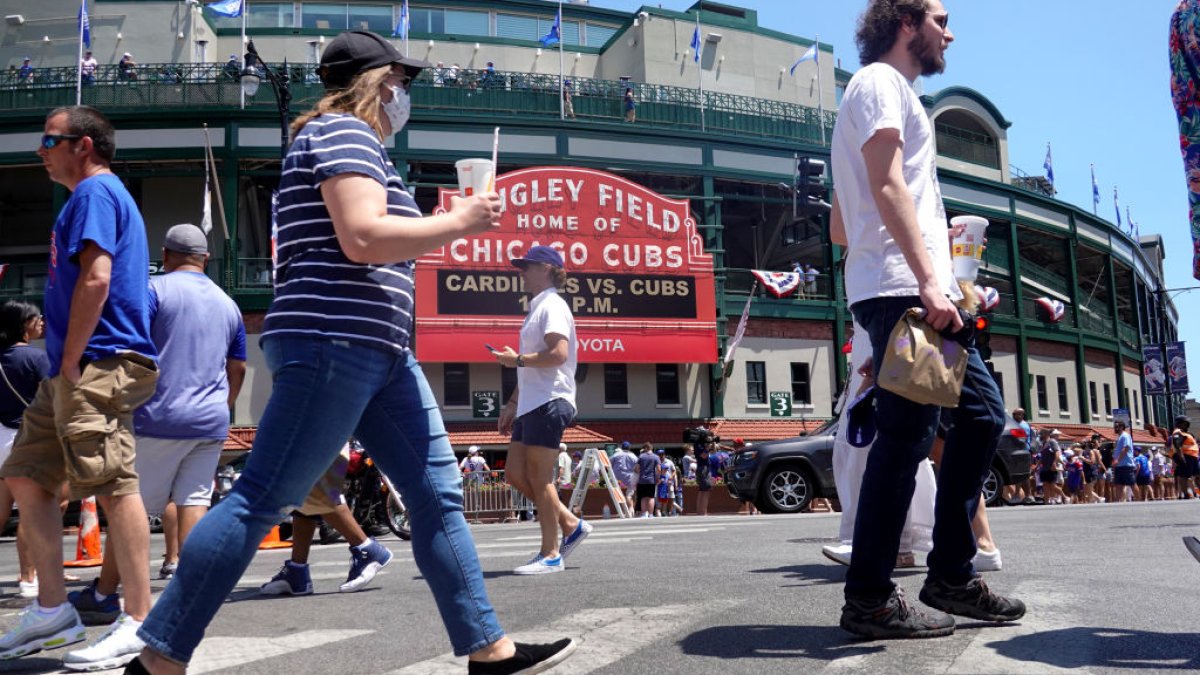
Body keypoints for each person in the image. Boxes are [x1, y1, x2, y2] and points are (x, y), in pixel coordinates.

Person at [127, 31, 574, 674]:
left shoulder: (350, 141)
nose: (406, 95)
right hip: (335, 340)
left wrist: (445, 225)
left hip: (376, 347)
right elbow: (363, 237)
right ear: (379, 82)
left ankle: (488, 647)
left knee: (438, 495)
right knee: (261, 499)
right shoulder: (344, 132)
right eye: (403, 81)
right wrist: (461, 221)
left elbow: (372, 239)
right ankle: (158, 659)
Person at [829, 0, 1023, 639]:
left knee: (974, 418)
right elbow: (887, 186)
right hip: (906, 292)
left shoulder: (881, 93)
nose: (950, 33)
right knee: (913, 437)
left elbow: (841, 223)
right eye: (940, 19)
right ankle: (874, 598)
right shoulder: (881, 83)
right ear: (905, 22)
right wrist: (928, 280)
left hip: (898, 290)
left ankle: (947, 576)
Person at [0, 106, 160, 670]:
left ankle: (139, 620)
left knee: (113, 484)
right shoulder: (90, 197)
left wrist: (69, 358)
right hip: (73, 366)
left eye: (50, 140)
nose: (40, 151)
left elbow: (97, 277)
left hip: (95, 360)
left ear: (84, 145)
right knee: (25, 473)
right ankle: (52, 609)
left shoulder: (94, 193)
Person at [66, 223, 246, 630]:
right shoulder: (229, 304)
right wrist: (223, 405)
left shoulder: (153, 291)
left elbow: (132, 349)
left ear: (165, 255)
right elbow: (237, 367)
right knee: (195, 501)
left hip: (158, 417)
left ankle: (104, 594)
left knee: (128, 507)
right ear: (205, 259)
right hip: (210, 420)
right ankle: (191, 591)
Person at [494, 245, 590, 576]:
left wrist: (517, 359)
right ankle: (570, 523)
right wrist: (512, 403)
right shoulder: (538, 308)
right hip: (532, 401)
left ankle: (551, 554)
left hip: (549, 400)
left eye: (527, 266)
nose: (521, 272)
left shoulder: (552, 306)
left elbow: (558, 354)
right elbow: (531, 368)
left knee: (539, 478)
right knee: (515, 475)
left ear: (546, 269)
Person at [259, 443, 394, 595]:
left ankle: (367, 549)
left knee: (317, 492)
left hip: (318, 436)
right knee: (305, 496)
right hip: (319, 437)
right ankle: (297, 569)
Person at [0, 301, 49, 598]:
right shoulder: (36, 357)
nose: (41, 321)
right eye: (35, 317)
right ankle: (28, 576)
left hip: (0, 437)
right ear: (23, 324)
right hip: (27, 438)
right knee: (33, 510)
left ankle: (34, 573)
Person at [1172, 415, 1197, 498]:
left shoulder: (1186, 432)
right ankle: (1186, 494)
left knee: (1197, 475)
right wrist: (1181, 457)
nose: (1187, 424)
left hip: (1193, 456)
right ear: (1179, 423)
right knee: (1184, 476)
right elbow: (1177, 445)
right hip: (1186, 456)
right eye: (1184, 423)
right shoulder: (1178, 432)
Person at [610, 441, 638, 511]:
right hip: (630, 478)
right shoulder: (633, 456)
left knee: (618, 495)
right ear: (629, 448)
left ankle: (625, 509)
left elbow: (609, 464)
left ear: (622, 447)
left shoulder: (616, 455)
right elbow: (637, 468)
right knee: (629, 495)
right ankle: (631, 509)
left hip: (617, 478)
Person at [1111, 420, 1136, 502]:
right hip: (1119, 466)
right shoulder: (1119, 437)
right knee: (1118, 484)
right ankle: (1117, 502)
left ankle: (1140, 500)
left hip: (1126, 464)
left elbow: (1126, 448)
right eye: (1115, 427)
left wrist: (1117, 460)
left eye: (1117, 427)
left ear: (1122, 427)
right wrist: (1115, 461)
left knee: (1132, 484)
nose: (1115, 428)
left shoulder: (1125, 436)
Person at [635, 442, 660, 517]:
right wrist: (657, 477)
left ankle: (644, 514)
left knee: (643, 497)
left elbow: (637, 468)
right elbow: (659, 469)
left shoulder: (641, 456)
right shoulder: (656, 457)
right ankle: (651, 514)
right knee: (651, 497)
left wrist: (641, 473)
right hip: (651, 480)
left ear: (646, 448)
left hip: (642, 480)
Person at [694, 444, 713, 516]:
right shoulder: (699, 445)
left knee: (702, 490)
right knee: (706, 490)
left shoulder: (699, 445)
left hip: (702, 468)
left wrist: (711, 446)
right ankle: (703, 512)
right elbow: (704, 455)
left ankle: (699, 512)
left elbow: (713, 451)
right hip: (703, 468)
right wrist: (707, 448)